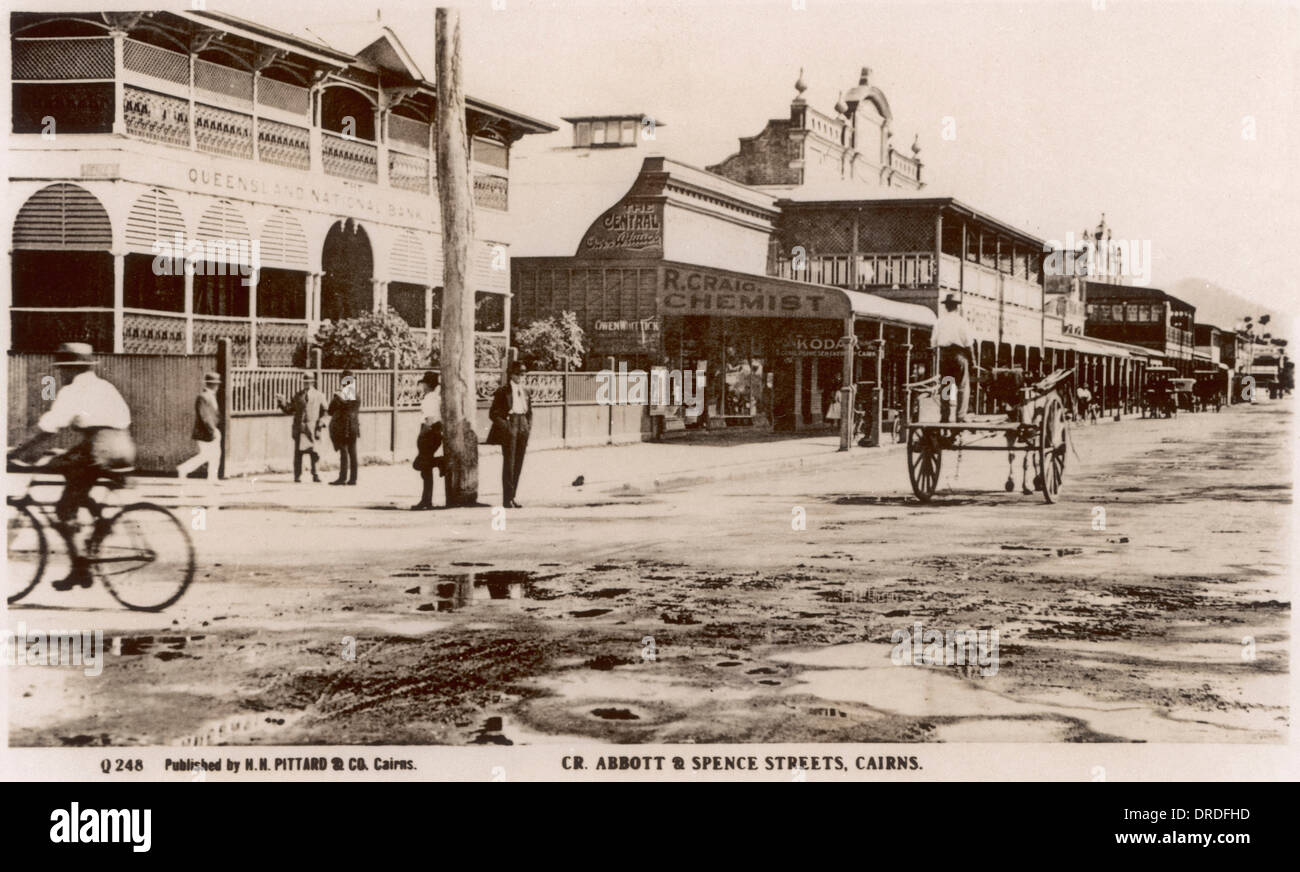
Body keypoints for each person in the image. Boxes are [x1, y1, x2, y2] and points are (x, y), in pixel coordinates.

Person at [8, 342, 135, 590]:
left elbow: (49, 427)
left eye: (61, 370)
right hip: (124, 447)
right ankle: (99, 521)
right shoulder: (104, 386)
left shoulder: (72, 390)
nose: (60, 374)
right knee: (71, 473)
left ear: (68, 368)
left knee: (64, 509)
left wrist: (18, 450)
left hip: (99, 449)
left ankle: (80, 567)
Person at [489, 361, 532, 509]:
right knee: (509, 463)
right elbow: (493, 414)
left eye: (523, 374)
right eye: (518, 374)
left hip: (522, 426)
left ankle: (513, 497)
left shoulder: (526, 392)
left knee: (518, 463)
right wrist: (507, 427)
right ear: (511, 374)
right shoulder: (503, 391)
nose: (521, 377)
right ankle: (507, 499)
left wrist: (527, 427)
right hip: (511, 424)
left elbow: (529, 412)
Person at [934, 293, 977, 423]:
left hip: (944, 355)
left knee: (946, 384)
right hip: (959, 355)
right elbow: (968, 343)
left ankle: (945, 416)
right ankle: (960, 416)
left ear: (946, 307)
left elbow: (933, 342)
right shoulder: (961, 321)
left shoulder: (939, 321)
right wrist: (973, 361)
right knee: (962, 386)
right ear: (957, 307)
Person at [277, 372, 327, 482]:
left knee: (314, 452)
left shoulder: (319, 395)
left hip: (313, 427)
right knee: (298, 453)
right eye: (305, 382)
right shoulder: (298, 395)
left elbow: (325, 411)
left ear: (313, 382)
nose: (306, 384)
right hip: (300, 427)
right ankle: (297, 475)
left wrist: (321, 422)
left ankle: (316, 474)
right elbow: (290, 409)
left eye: (309, 382)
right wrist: (282, 402)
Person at [176, 371, 222, 484]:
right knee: (207, 455)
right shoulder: (202, 397)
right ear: (210, 384)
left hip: (211, 430)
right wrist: (212, 430)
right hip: (205, 432)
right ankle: (184, 469)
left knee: (215, 454)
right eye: (215, 384)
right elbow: (204, 416)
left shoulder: (210, 396)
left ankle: (212, 478)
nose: (217, 386)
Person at [411, 370, 443, 510]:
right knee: (425, 468)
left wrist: (422, 435)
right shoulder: (437, 398)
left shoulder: (429, 399)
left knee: (421, 465)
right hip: (435, 433)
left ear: (428, 385)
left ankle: (441, 462)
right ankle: (426, 500)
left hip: (429, 434)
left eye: (423, 383)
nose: (421, 386)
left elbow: (429, 420)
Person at [327, 369, 360, 486]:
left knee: (344, 452)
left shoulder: (341, 396)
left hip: (344, 428)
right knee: (352, 452)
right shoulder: (356, 395)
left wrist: (336, 396)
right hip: (354, 427)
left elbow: (330, 411)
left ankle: (342, 478)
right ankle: (353, 479)